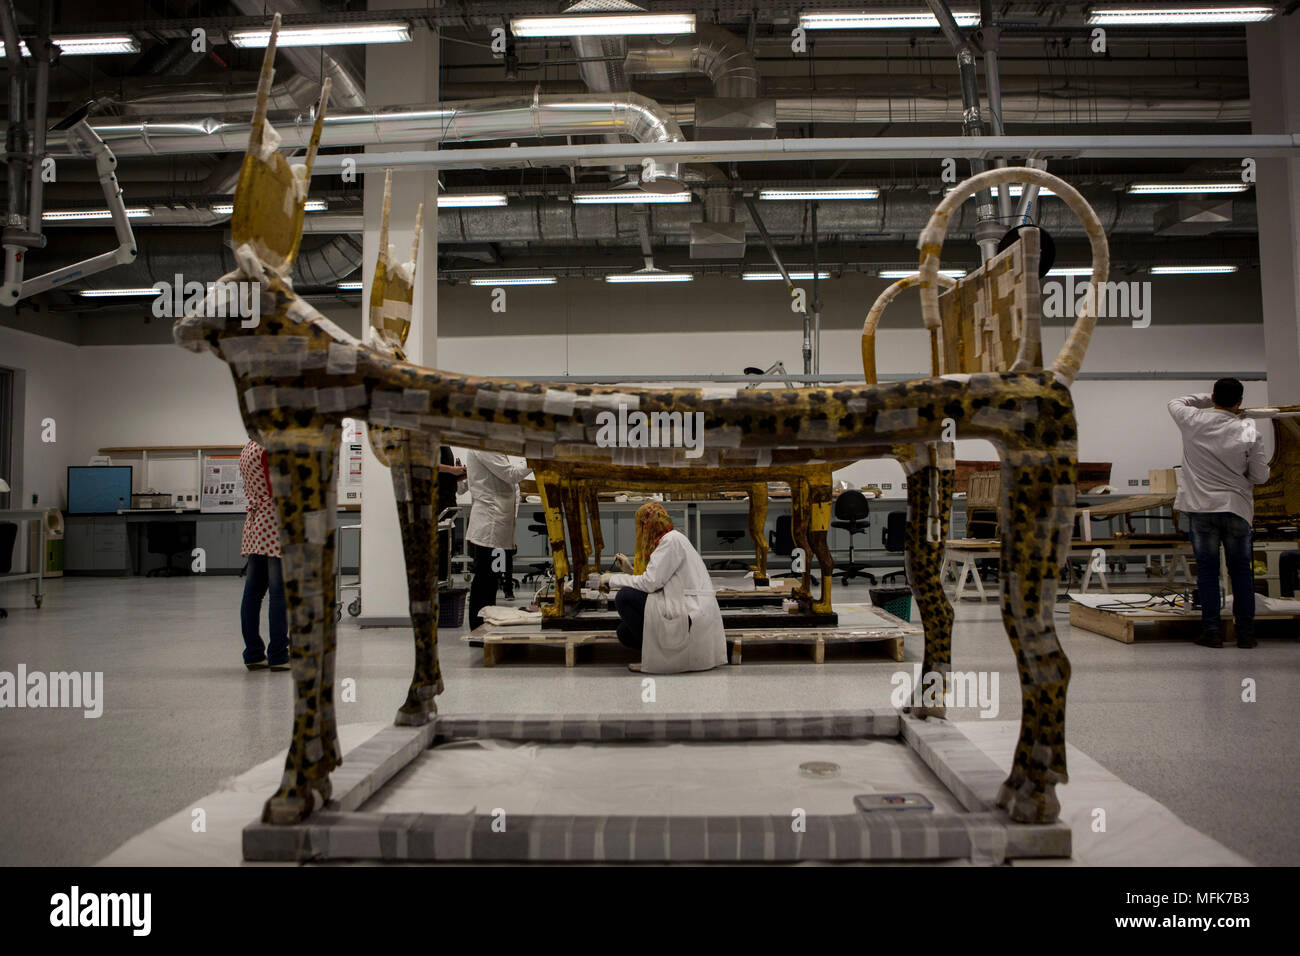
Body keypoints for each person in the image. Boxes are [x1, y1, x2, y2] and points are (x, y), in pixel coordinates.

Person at [1168, 378, 1269, 648]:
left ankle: (1212, 632)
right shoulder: (1248, 430)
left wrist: (1207, 399)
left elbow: (1175, 402)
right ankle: (1246, 634)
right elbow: (1260, 476)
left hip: (1201, 509)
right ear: (1240, 402)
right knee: (1241, 572)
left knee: (1208, 572)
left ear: (1213, 397)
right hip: (1236, 508)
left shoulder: (1192, 420)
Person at [600, 502, 728, 674]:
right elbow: (660, 576)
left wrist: (612, 579)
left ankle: (658, 660)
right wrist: (629, 571)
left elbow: (650, 583)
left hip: (689, 611)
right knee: (624, 632)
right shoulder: (672, 539)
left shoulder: (670, 541)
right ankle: (653, 655)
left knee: (625, 597)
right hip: (685, 604)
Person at [464, 450, 532, 629]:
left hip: (496, 522)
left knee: (490, 578)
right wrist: (534, 458)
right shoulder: (483, 447)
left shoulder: (490, 445)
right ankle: (478, 627)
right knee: (485, 579)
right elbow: (511, 474)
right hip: (490, 523)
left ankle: (485, 624)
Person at [238, 438, 289, 671]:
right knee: (279, 593)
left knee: (253, 592)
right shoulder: (271, 448)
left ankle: (253, 653)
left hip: (256, 522)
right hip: (276, 521)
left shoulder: (249, 447)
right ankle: (278, 654)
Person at [436, 446, 466, 583]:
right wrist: (452, 470)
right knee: (441, 546)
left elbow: (446, 476)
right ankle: (439, 582)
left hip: (449, 499)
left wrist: (462, 473)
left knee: (449, 547)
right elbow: (430, 465)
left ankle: (443, 580)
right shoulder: (433, 442)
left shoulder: (446, 446)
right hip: (439, 500)